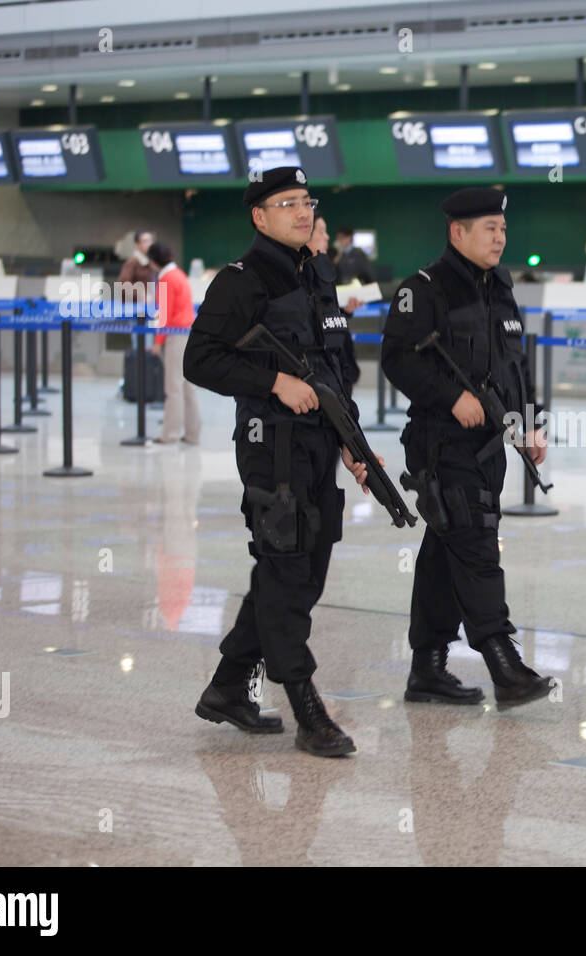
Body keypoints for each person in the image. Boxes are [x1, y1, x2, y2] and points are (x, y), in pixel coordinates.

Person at [184, 166, 376, 758]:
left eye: (306, 201)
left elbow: (337, 364)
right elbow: (201, 360)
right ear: (259, 217)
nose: (301, 211)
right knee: (288, 572)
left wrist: (353, 439)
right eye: (286, 203)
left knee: (297, 574)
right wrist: (272, 382)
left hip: (321, 444)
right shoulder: (240, 281)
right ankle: (306, 707)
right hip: (274, 450)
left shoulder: (318, 272)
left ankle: (226, 689)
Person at [380, 187, 554, 710]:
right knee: (476, 543)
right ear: (458, 232)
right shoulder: (424, 289)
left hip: (489, 445)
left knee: (446, 549)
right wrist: (451, 395)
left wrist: (529, 421)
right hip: (441, 443)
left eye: (503, 229)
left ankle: (427, 668)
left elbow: (515, 364)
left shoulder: (499, 287)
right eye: (489, 229)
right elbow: (397, 359)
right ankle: (504, 664)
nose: (500, 238)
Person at [147, 242, 201, 445]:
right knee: (188, 386)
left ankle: (169, 435)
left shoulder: (166, 279)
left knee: (173, 388)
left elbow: (165, 316)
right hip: (188, 332)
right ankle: (192, 433)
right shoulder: (178, 274)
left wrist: (157, 342)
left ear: (153, 261)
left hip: (175, 335)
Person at [307, 215, 361, 397]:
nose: (327, 237)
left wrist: (344, 311)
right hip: (317, 378)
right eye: (321, 231)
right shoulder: (296, 276)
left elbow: (327, 316)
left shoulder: (325, 270)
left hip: (339, 369)